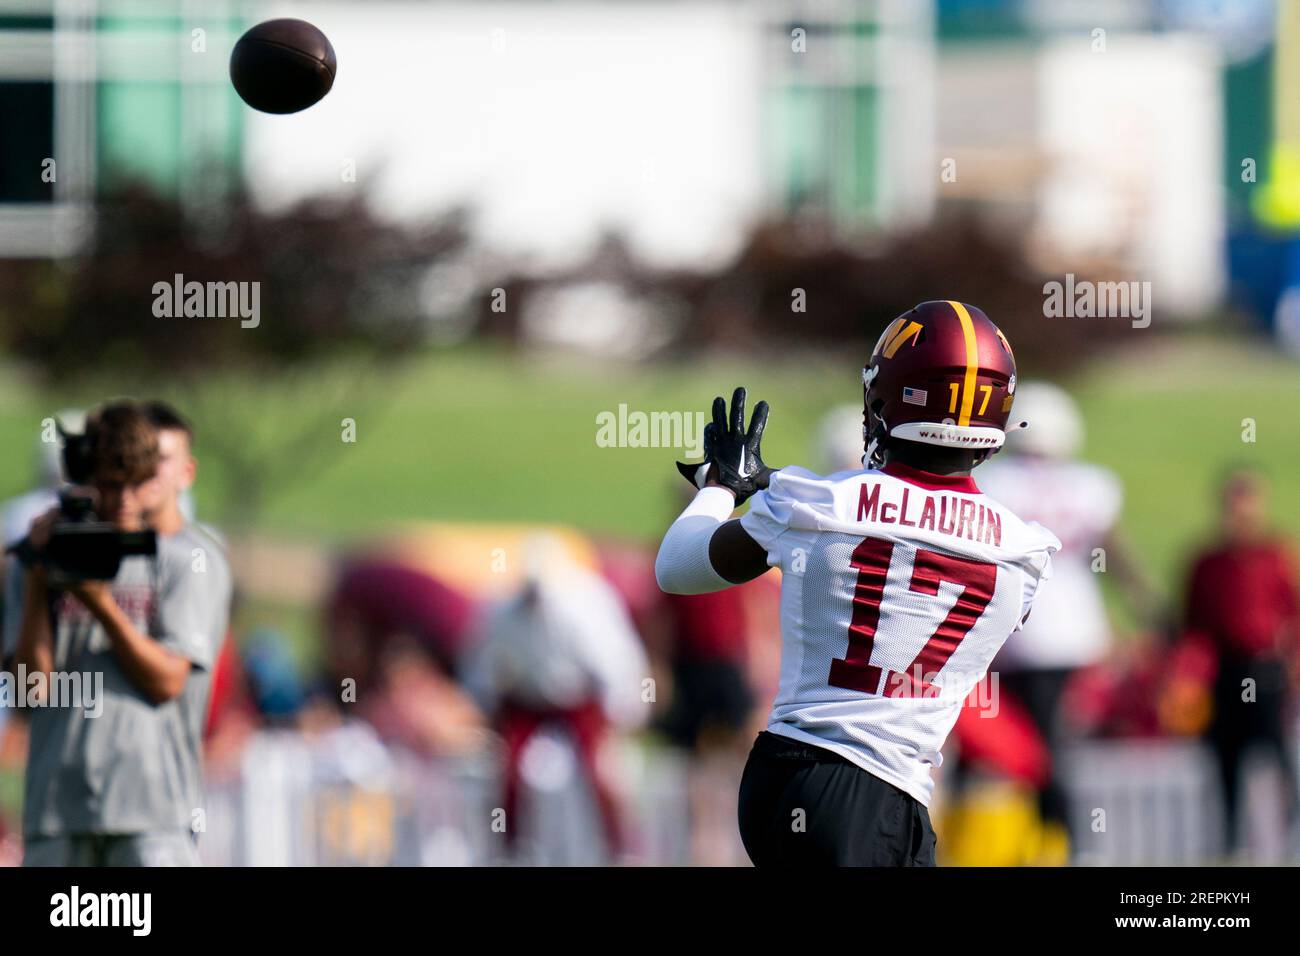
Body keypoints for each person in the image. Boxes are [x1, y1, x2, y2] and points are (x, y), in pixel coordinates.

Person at [656, 300, 1060, 866]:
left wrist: (722, 486)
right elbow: (916, 524)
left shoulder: (816, 503)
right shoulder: (1026, 551)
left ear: (882, 399)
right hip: (879, 788)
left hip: (796, 771)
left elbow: (678, 566)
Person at [5, 400, 232, 866]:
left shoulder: (181, 560)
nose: (125, 501)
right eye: (110, 486)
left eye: (137, 483)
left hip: (153, 814)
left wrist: (100, 605)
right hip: (57, 810)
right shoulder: (39, 560)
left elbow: (167, 681)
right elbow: (30, 692)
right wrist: (35, 581)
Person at [973, 381, 1159, 860]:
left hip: (1015, 634)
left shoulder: (996, 482)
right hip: (1076, 632)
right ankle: (1052, 837)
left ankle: (1053, 838)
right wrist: (1148, 608)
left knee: (1026, 747)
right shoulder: (1089, 484)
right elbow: (1114, 555)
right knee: (1044, 745)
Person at [461, 536, 649, 861]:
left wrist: (623, 712)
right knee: (508, 774)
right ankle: (510, 851)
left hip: (581, 708)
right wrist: (484, 708)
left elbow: (615, 663)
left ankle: (619, 850)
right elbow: (482, 663)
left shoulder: (585, 606)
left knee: (603, 775)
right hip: (526, 709)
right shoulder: (503, 609)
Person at [1184, 468, 1299, 858]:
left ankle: (1287, 841)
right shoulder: (1208, 562)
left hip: (1266, 669)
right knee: (1225, 757)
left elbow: (1293, 612)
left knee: (1277, 754)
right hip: (1225, 671)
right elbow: (1193, 623)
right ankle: (1229, 844)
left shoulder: (1275, 556)